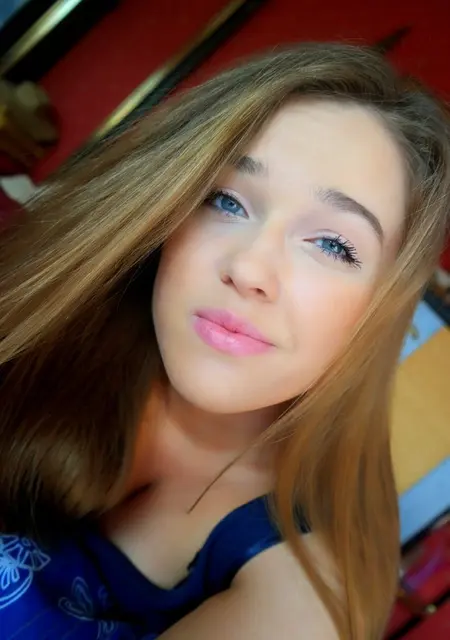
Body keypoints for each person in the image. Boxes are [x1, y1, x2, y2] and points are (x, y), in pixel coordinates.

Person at [0, 42, 449, 640]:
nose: (249, 268)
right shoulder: (45, 325)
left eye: (333, 245)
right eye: (225, 200)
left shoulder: (300, 593)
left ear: (383, 309)